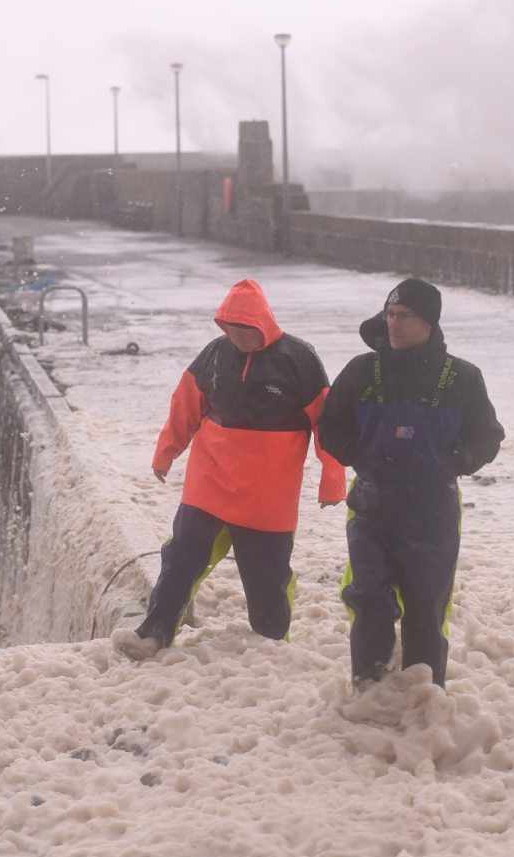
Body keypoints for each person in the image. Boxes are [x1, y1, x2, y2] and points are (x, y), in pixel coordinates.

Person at [112, 278, 346, 660]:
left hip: (267, 495)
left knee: (266, 578)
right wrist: (165, 453)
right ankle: (153, 633)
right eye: (230, 329)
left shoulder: (299, 360)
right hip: (209, 482)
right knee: (181, 557)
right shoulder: (215, 355)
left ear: (262, 325)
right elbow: (185, 405)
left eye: (244, 330)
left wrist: (333, 480)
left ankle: (272, 645)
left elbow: (328, 422)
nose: (236, 337)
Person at [317, 277, 504, 689]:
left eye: (404, 316)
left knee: (426, 611)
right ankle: (370, 687)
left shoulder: (462, 378)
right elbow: (329, 424)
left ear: (430, 322)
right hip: (371, 507)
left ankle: (424, 698)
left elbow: (489, 435)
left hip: (432, 512)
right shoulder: (362, 371)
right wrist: (359, 454)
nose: (393, 324)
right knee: (369, 599)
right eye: (389, 315)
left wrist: (455, 462)